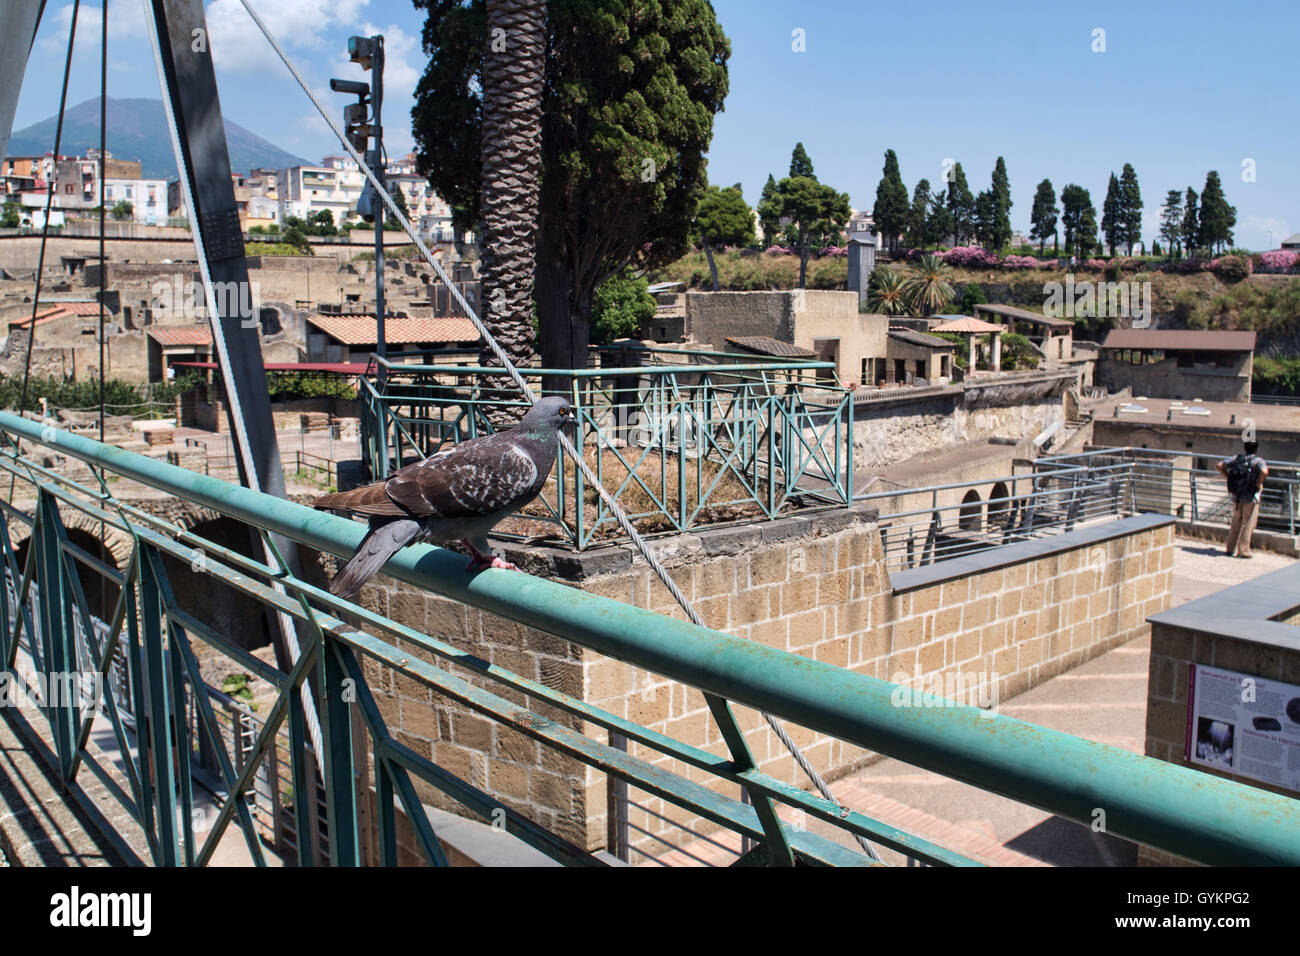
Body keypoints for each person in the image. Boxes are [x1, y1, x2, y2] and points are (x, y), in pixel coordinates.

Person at [1216, 440, 1268, 557]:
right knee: (1247, 524)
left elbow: (1219, 465)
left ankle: (1230, 549)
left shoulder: (1237, 458)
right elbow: (1264, 471)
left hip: (1236, 496)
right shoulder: (1257, 461)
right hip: (1250, 497)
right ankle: (1243, 551)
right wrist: (1259, 483)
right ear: (1256, 449)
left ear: (1244, 448)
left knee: (1236, 522)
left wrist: (1228, 476)